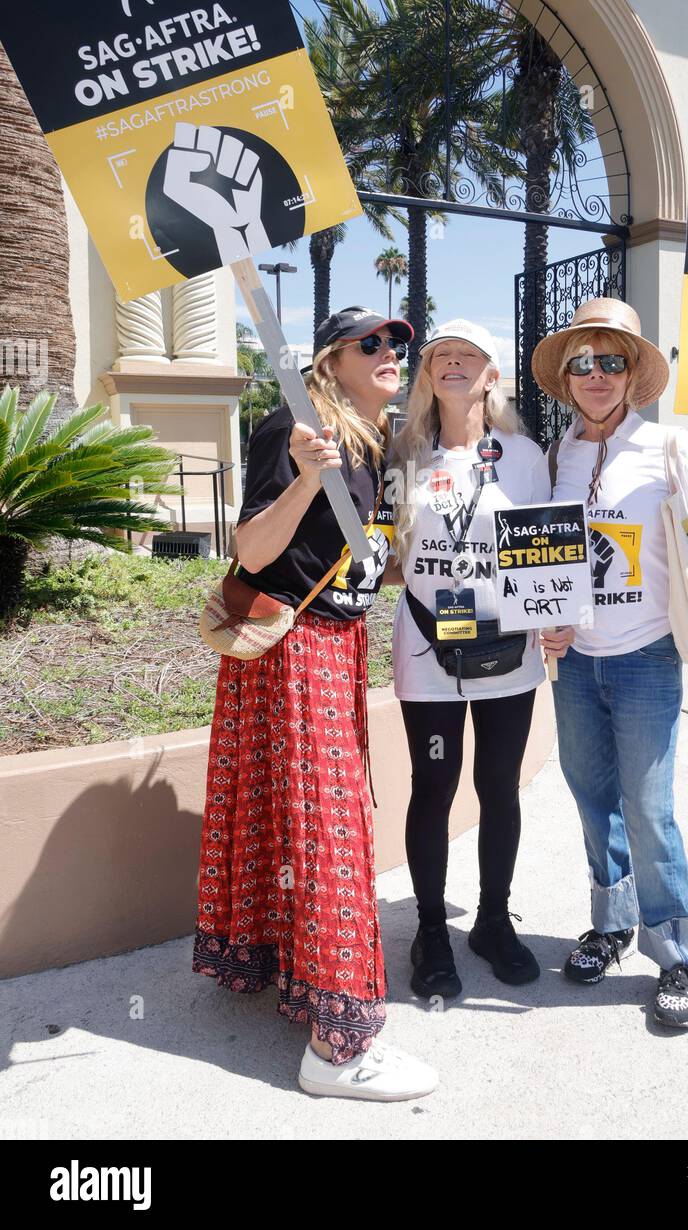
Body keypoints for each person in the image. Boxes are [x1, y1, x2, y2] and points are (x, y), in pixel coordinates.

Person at [192, 306, 438, 1101]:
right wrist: (304, 477)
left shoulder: (373, 446)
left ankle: (275, 963)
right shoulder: (294, 430)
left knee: (296, 820)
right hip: (294, 651)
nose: (391, 352)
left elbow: (367, 566)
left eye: (398, 341)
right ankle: (338, 1048)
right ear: (331, 362)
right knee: (331, 831)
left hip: (334, 647)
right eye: (371, 343)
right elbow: (253, 551)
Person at [532, 298, 688, 1029]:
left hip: (646, 659)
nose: (597, 374)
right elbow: (541, 561)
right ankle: (612, 925)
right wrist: (548, 625)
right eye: (584, 362)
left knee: (649, 808)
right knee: (591, 800)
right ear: (568, 377)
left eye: (612, 360)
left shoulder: (669, 447)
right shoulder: (556, 456)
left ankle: (676, 955)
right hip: (577, 665)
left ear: (633, 372)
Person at [390, 320, 551, 999]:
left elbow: (548, 552)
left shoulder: (525, 454)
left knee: (499, 784)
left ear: (492, 375)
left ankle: (490, 920)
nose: (453, 363)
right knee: (434, 787)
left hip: (508, 652)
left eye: (469, 356)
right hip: (429, 651)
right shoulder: (401, 455)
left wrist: (555, 617)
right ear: (428, 376)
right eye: (440, 356)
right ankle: (431, 931)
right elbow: (387, 557)